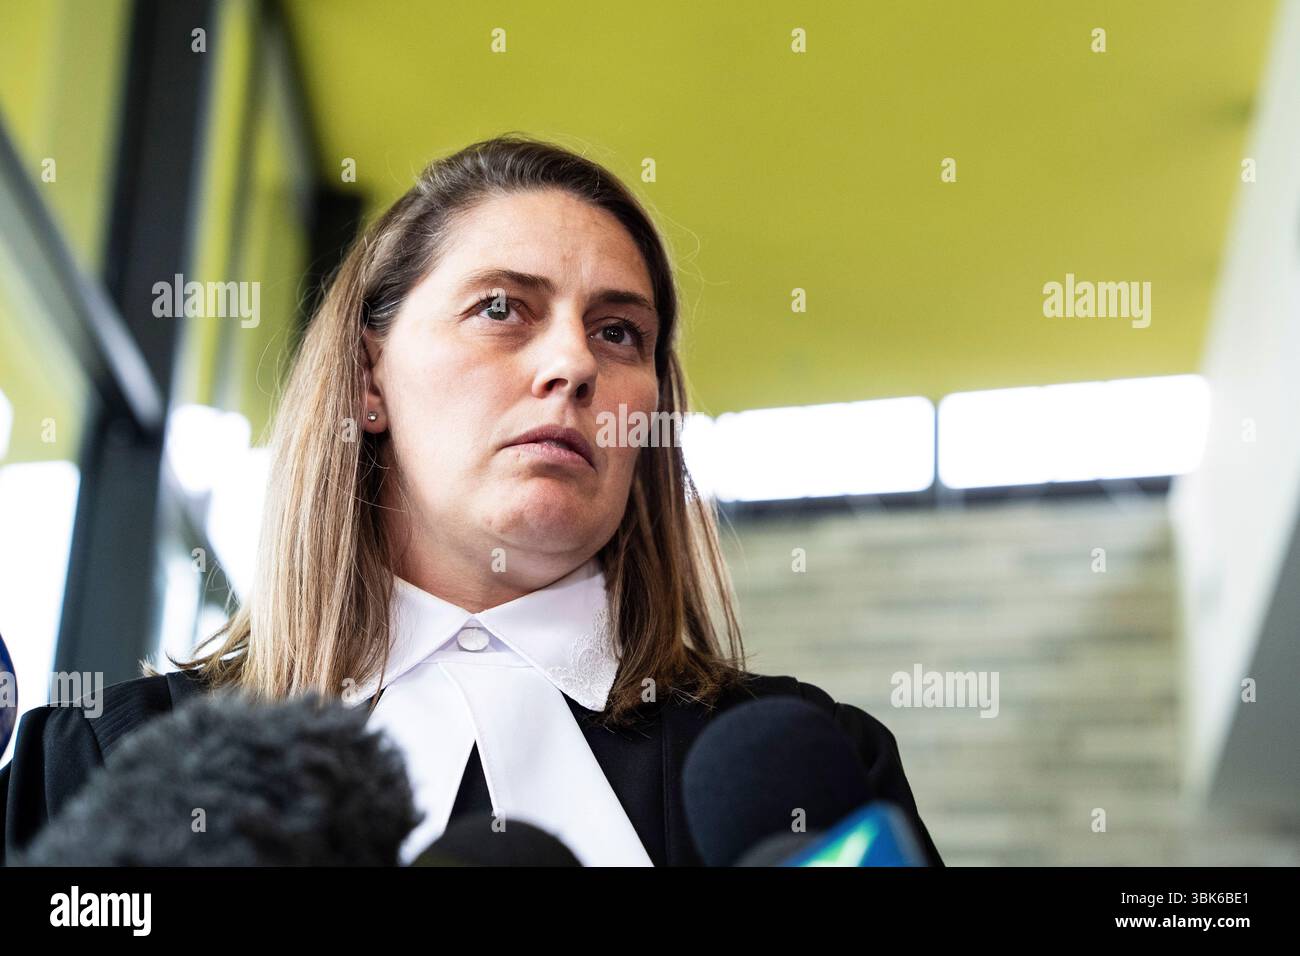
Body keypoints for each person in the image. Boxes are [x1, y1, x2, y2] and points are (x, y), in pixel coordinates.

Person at [0, 135, 942, 866]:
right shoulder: (98, 767)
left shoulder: (809, 781)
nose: (573, 363)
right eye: (502, 308)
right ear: (370, 377)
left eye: (620, 332)